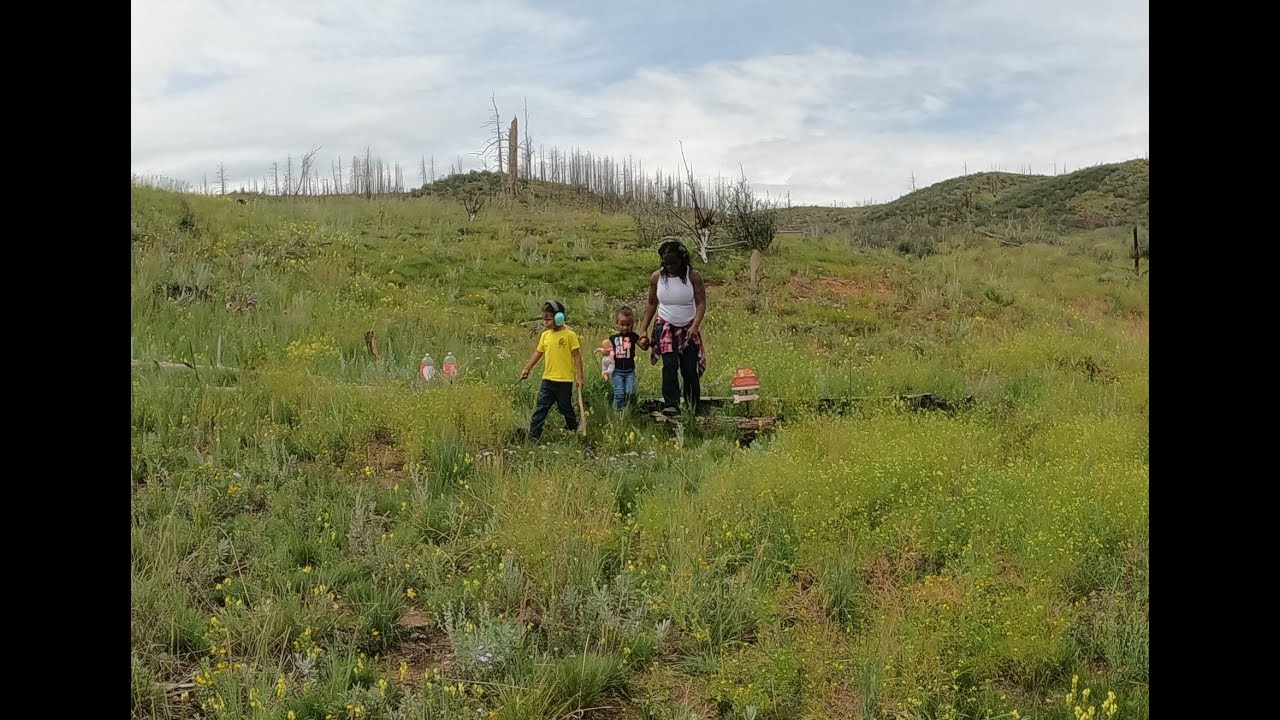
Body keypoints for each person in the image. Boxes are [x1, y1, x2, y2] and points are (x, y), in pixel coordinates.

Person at [641, 238, 707, 416]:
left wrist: (695, 326)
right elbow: (651, 303)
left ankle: (693, 405)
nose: (670, 267)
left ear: (682, 259)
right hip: (665, 327)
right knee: (669, 365)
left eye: (674, 263)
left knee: (689, 368)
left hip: (688, 328)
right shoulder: (657, 278)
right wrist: (644, 329)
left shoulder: (693, 276)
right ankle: (671, 404)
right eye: (666, 263)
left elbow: (701, 304)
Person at [520, 300, 585, 440]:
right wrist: (527, 368)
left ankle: (573, 429)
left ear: (559, 317)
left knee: (565, 408)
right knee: (541, 408)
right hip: (548, 379)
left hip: (564, 381)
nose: (545, 323)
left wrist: (580, 377)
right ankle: (534, 435)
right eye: (544, 319)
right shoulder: (545, 335)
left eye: (548, 319)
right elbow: (538, 353)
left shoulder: (570, 335)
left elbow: (577, 357)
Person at [605, 306, 642, 410]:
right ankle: (617, 414)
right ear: (616, 324)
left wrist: (646, 340)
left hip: (630, 371)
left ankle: (630, 412)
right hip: (617, 371)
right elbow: (607, 352)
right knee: (619, 393)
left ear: (632, 324)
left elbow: (643, 346)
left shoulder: (633, 336)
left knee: (630, 393)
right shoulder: (613, 338)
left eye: (627, 324)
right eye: (622, 324)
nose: (624, 327)